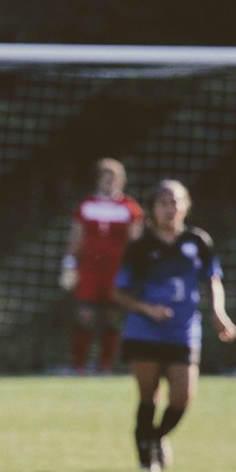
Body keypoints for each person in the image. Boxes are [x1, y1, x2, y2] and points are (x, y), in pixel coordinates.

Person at [111, 179, 236, 472]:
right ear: (152, 209)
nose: (171, 208)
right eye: (164, 203)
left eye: (176, 202)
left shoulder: (197, 242)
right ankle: (145, 458)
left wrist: (219, 312)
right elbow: (119, 292)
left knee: (182, 398)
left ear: (186, 205)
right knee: (148, 395)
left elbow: (212, 280)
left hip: (183, 329)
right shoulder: (141, 247)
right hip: (145, 330)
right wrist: (148, 309)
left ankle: (155, 437)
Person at [61, 158, 145, 374]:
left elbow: (136, 242)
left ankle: (105, 366)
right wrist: (69, 264)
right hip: (89, 270)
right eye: (105, 178)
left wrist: (136, 271)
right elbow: (75, 237)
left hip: (116, 272)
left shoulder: (129, 208)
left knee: (111, 317)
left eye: (114, 179)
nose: (109, 183)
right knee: (84, 316)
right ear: (98, 180)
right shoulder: (86, 206)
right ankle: (79, 366)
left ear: (121, 181)